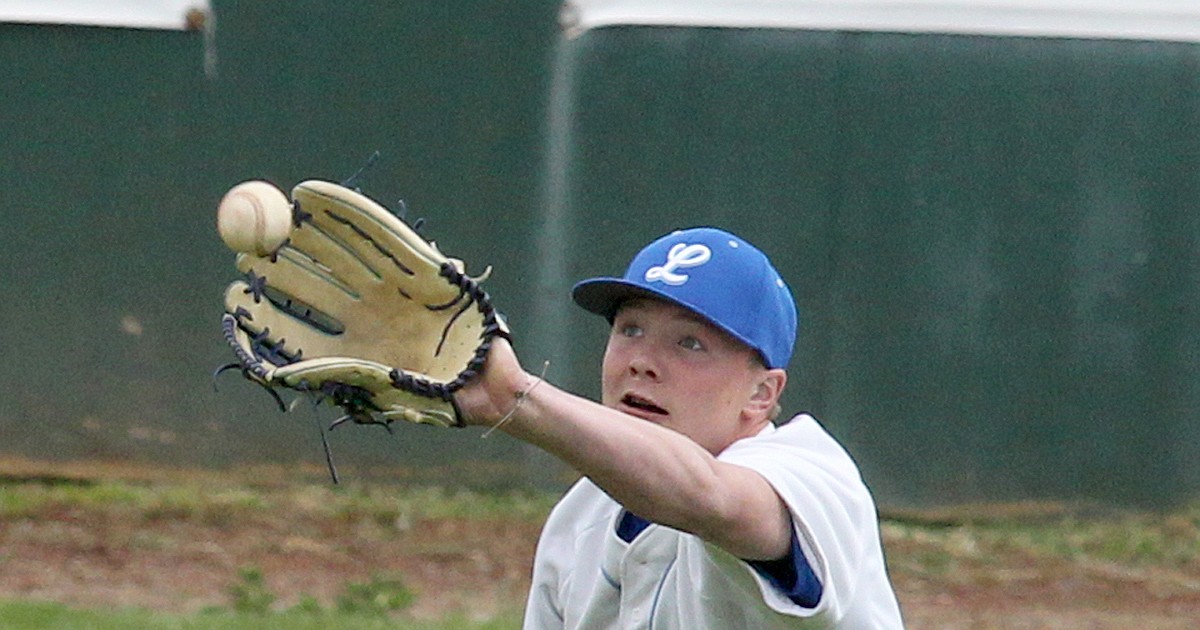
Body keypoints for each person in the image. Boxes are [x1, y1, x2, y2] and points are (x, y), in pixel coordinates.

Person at [455, 227, 904, 628]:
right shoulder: (579, 518)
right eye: (631, 329)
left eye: (689, 343)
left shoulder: (809, 476)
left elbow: (710, 499)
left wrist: (516, 399)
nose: (641, 362)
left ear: (761, 393)